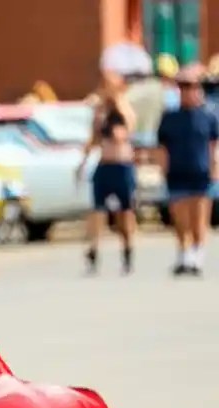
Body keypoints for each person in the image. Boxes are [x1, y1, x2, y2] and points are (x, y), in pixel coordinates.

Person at [156, 65, 219, 277]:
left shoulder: (208, 116)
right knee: (180, 219)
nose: (187, 91)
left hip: (201, 173)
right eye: (182, 87)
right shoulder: (170, 118)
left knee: (199, 218)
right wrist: (163, 170)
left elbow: (214, 146)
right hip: (177, 173)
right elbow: (163, 147)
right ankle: (184, 255)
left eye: (191, 86)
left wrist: (215, 168)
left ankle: (197, 258)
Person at [76, 71, 138, 274]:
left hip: (122, 165)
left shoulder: (124, 108)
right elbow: (93, 138)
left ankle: (127, 248)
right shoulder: (100, 112)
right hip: (105, 164)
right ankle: (93, 248)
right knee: (97, 210)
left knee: (125, 212)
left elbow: (126, 130)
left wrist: (116, 101)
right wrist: (82, 163)